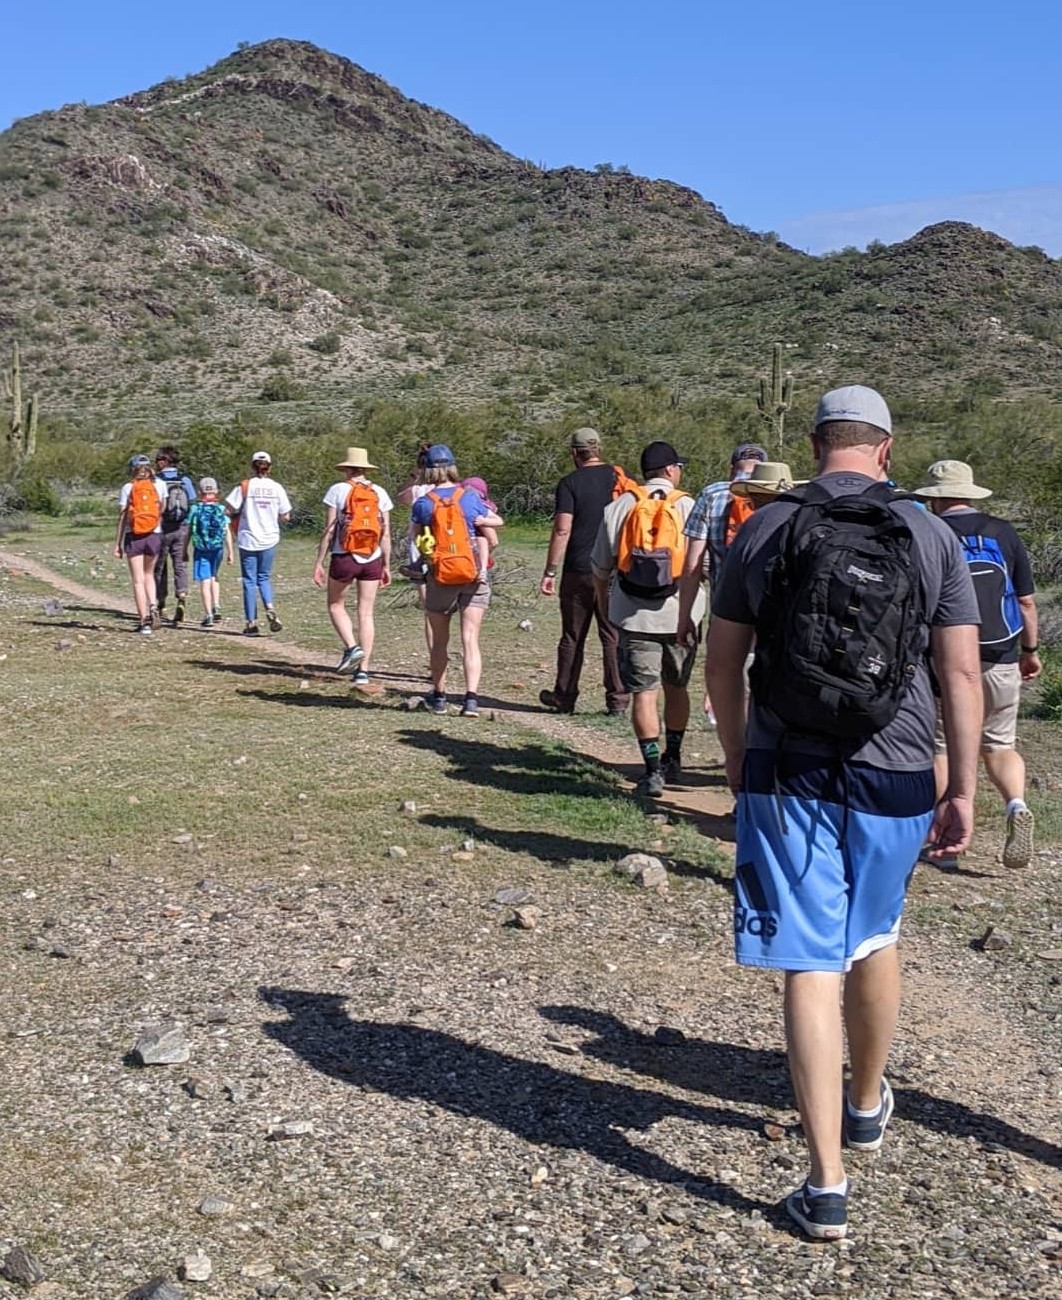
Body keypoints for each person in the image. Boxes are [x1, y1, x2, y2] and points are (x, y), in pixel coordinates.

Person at [705, 385, 983, 1242]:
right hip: (896, 770)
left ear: (818, 442)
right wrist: (962, 785)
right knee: (876, 934)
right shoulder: (932, 534)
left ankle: (825, 1186)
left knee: (808, 959)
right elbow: (962, 676)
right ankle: (867, 1103)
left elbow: (721, 662)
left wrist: (736, 753)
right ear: (888, 451)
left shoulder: (766, 526)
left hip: (787, 770)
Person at [914, 459, 1042, 868]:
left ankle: (940, 841)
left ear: (934, 499)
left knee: (942, 746)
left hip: (946, 660)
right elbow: (1024, 600)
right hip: (1001, 653)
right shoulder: (1002, 531)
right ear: (969, 493)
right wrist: (1030, 650)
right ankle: (1016, 804)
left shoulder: (930, 532)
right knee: (1000, 744)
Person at [591, 440, 704, 796]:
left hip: (634, 616)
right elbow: (701, 566)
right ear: (671, 470)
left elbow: (599, 567)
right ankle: (675, 756)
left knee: (644, 693)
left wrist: (604, 603)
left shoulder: (620, 506)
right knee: (677, 687)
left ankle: (652, 768)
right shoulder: (689, 506)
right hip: (681, 617)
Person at [539, 427, 630, 717]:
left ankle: (564, 698)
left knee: (572, 636)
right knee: (611, 634)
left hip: (580, 568)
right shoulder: (620, 479)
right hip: (614, 567)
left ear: (574, 453)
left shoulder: (570, 483)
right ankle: (617, 699)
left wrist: (550, 570)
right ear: (598, 449)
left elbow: (563, 528)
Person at [409, 444, 504, 717]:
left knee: (440, 640)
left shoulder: (424, 503)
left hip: (441, 576)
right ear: (452, 467)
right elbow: (491, 524)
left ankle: (439, 697)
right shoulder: (470, 498)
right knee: (470, 638)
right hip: (472, 574)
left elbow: (417, 538)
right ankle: (471, 700)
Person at [677, 442, 769, 724]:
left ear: (732, 469)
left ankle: (733, 746)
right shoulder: (779, 494)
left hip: (725, 609)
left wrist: (685, 617)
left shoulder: (712, 494)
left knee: (729, 676)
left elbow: (692, 566)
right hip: (767, 609)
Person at [313, 447, 394, 687]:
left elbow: (329, 531)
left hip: (344, 556)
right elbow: (386, 534)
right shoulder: (380, 492)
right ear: (366, 469)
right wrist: (387, 565)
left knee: (335, 604)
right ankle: (363, 671)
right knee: (366, 613)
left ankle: (352, 647)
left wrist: (319, 562)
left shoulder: (338, 490)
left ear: (347, 469)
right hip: (373, 557)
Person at [225, 451, 292, 636]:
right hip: (269, 538)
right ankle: (269, 607)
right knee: (264, 577)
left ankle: (251, 623)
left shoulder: (245, 486)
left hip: (248, 539)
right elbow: (286, 516)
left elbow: (229, 509)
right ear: (269, 467)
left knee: (249, 581)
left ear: (253, 466)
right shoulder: (277, 487)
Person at [114, 454, 168, 635]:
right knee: (149, 575)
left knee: (138, 580)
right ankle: (153, 605)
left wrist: (118, 543)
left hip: (134, 535)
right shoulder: (160, 485)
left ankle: (144, 621)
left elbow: (123, 517)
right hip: (155, 534)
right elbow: (163, 509)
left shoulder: (128, 488)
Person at [152, 446, 197, 626]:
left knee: (160, 567)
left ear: (164, 461)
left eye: (158, 460)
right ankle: (182, 596)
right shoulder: (184, 479)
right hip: (182, 528)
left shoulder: (157, 480)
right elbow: (192, 503)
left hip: (162, 528)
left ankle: (160, 602)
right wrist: (187, 524)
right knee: (180, 565)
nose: (156, 463)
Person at [186, 477, 234, 627]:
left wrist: (184, 549)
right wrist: (230, 552)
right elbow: (226, 531)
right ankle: (217, 605)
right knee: (214, 576)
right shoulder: (220, 509)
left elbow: (189, 531)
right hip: (218, 548)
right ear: (216, 492)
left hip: (201, 549)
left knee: (205, 580)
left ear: (200, 493)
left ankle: (208, 615)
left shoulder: (195, 509)